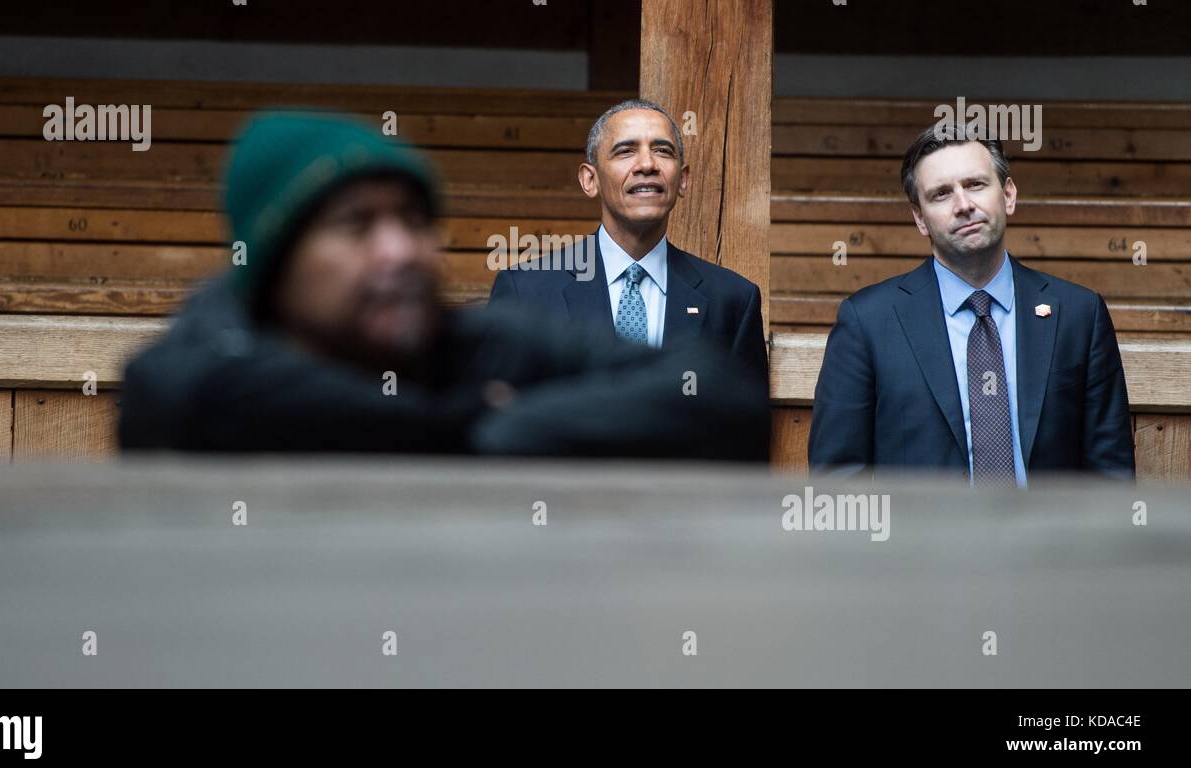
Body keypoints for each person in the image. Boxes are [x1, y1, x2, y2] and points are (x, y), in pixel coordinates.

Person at [118, 112, 768, 460]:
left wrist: (501, 431)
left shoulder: (460, 341)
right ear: (276, 264)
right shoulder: (199, 368)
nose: (400, 250)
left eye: (413, 220)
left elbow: (724, 397)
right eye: (356, 226)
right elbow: (198, 396)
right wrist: (470, 419)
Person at [808, 119, 1135, 483]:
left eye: (975, 184)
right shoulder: (867, 322)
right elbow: (837, 479)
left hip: (1049, 539)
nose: (963, 205)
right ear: (920, 218)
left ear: (1008, 195)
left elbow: (1112, 476)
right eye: (941, 194)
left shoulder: (1079, 315)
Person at [486, 99, 770, 457]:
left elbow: (746, 443)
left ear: (682, 180)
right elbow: (500, 428)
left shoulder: (733, 299)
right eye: (625, 151)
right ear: (590, 180)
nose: (647, 165)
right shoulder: (525, 288)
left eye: (662, 151)